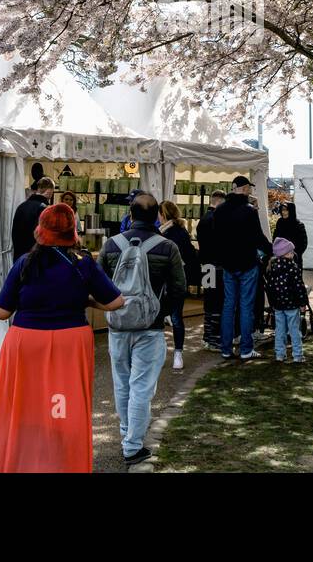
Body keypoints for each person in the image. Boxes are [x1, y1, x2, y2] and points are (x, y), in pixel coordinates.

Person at [0, 204, 124, 472]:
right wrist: (87, 301)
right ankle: (61, 462)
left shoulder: (25, 263)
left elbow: (1, 312)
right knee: (63, 404)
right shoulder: (83, 263)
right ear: (71, 233)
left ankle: (20, 460)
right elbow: (115, 302)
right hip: (70, 340)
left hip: (26, 340)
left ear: (40, 231)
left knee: (23, 404)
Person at [99, 192, 186, 467]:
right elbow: (179, 288)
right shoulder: (167, 247)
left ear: (131, 215)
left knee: (122, 383)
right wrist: (161, 312)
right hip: (150, 326)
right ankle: (133, 445)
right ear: (157, 216)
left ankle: (127, 435)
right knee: (141, 387)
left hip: (117, 325)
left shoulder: (111, 245)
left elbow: (98, 282)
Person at [215, 176, 271, 360]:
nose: (250, 191)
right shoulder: (249, 211)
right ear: (244, 188)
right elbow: (258, 237)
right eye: (249, 188)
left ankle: (225, 348)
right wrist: (273, 250)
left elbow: (218, 237)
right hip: (247, 263)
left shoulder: (220, 210)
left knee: (228, 306)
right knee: (246, 306)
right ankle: (246, 349)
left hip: (228, 264)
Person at [159, 200, 200, 371]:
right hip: (177, 280)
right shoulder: (180, 231)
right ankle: (177, 353)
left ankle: (168, 353)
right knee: (176, 318)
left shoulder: (165, 234)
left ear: (164, 215)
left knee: (164, 317)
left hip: (167, 281)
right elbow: (190, 255)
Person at [264, 237, 307, 362]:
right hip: (292, 304)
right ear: (287, 254)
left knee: (280, 330)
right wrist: (303, 302)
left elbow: (269, 288)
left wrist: (272, 303)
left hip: (278, 305)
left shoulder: (271, 267)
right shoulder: (293, 268)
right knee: (294, 329)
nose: (293, 254)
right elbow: (299, 287)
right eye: (291, 252)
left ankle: (280, 354)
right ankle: (297, 355)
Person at [197, 189, 227, 351]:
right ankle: (214, 339)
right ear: (220, 202)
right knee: (216, 302)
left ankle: (207, 336)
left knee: (209, 301)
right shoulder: (216, 219)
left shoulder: (203, 219)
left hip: (206, 266)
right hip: (216, 266)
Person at [11, 177, 54, 260]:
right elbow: (43, 237)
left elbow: (14, 233)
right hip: (34, 258)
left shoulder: (21, 206)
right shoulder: (44, 208)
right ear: (50, 192)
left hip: (19, 256)